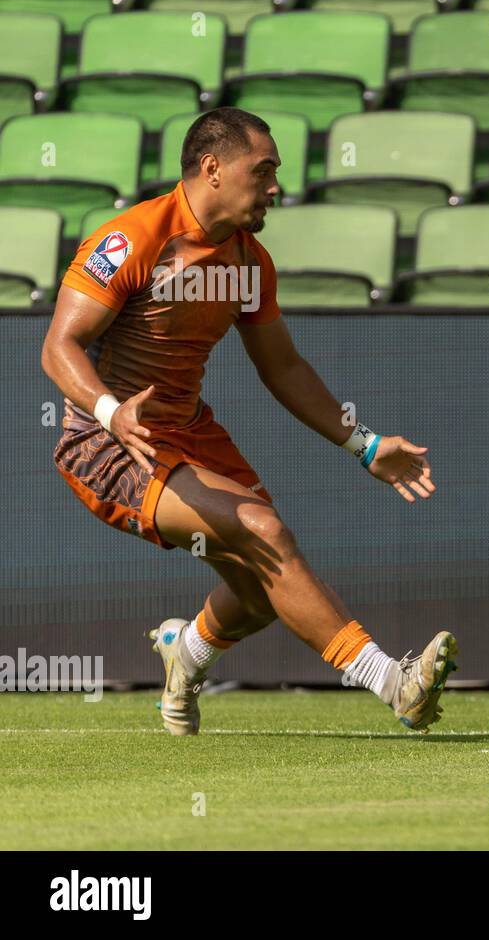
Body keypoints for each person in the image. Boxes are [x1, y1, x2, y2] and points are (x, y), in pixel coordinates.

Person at [41, 108, 456, 736]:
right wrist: (109, 411)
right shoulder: (131, 239)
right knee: (265, 531)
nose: (274, 189)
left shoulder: (250, 262)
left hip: (188, 430)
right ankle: (395, 684)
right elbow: (58, 347)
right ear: (212, 169)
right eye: (261, 172)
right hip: (109, 440)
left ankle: (186, 653)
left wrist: (365, 445)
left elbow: (282, 367)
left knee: (263, 592)